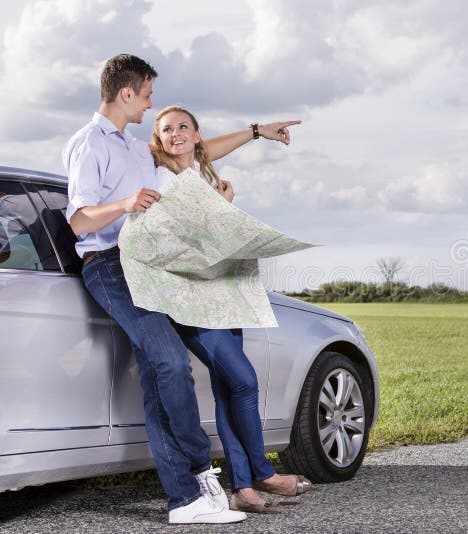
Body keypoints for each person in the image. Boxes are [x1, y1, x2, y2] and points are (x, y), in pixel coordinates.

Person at [62, 54, 299, 524]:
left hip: (149, 265)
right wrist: (126, 203)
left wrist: (255, 133)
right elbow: (78, 220)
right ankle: (199, 474)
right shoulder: (90, 144)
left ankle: (187, 497)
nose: (151, 105)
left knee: (160, 373)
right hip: (109, 263)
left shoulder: (134, 149)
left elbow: (199, 147)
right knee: (170, 363)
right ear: (127, 92)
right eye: (148, 94)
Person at [149, 105, 311, 513]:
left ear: (197, 134)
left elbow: (211, 150)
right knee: (244, 381)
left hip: (219, 292)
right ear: (158, 138)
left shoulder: (200, 169)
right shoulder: (161, 176)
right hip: (190, 299)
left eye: (183, 126)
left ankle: (243, 487)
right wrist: (221, 207)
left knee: (227, 389)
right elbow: (183, 238)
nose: (176, 134)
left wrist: (258, 131)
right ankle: (261, 471)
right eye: (167, 129)